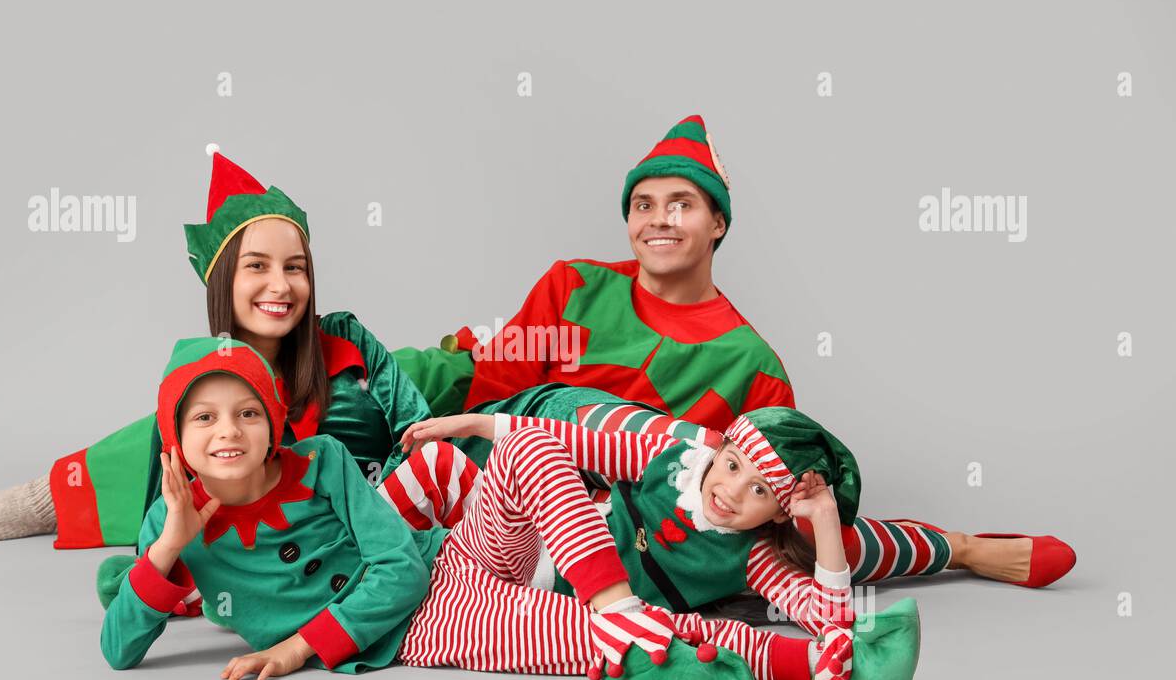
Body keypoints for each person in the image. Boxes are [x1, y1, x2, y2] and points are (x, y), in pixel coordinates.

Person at [392, 114, 1076, 590]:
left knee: (795, 526)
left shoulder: (754, 364)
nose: (657, 220)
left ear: (717, 222)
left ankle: (959, 547)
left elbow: (766, 501)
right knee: (563, 415)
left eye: (681, 204)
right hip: (524, 476)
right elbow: (494, 386)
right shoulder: (573, 286)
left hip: (649, 519)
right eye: (643, 205)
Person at [100, 336, 921, 680]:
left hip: (442, 566)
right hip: (426, 630)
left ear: (274, 421)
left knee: (528, 442)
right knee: (566, 629)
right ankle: (817, 670)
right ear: (175, 436)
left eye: (246, 413)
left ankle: (619, 620)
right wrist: (168, 548)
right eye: (203, 420)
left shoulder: (322, 463)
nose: (229, 434)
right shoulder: (172, 523)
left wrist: (295, 647)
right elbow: (117, 649)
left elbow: (399, 569)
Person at [0, 148, 431, 555]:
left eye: (295, 267)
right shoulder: (210, 386)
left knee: (449, 371)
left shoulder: (347, 341)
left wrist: (386, 498)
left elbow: (420, 420)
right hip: (319, 530)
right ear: (222, 278)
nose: (280, 285)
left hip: (412, 472)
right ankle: (46, 498)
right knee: (174, 424)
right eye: (257, 266)